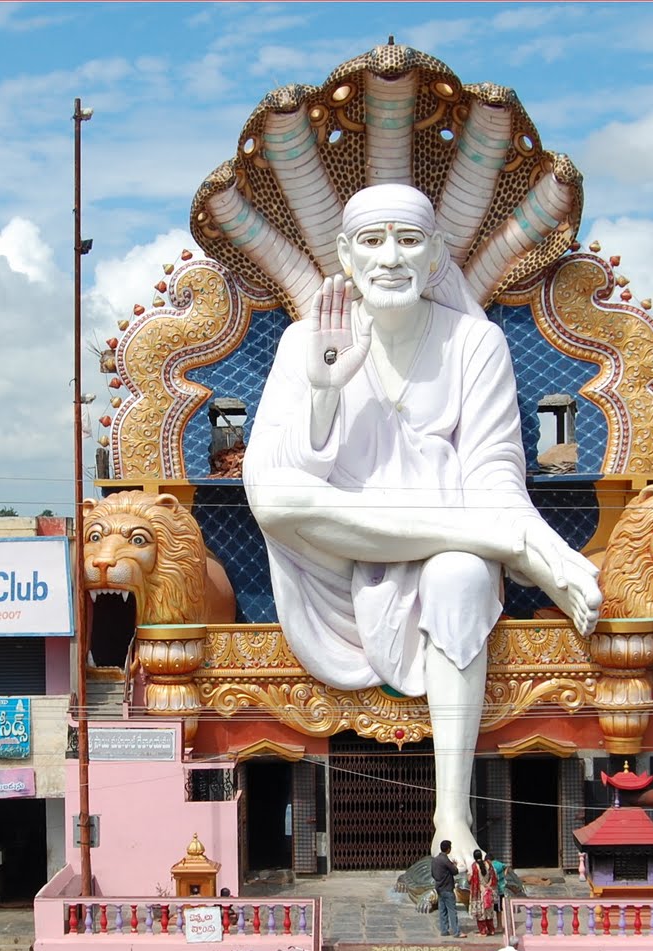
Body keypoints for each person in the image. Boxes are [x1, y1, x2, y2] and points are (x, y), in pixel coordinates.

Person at [244, 184, 603, 865]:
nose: (391, 258)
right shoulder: (304, 344)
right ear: (345, 256)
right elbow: (277, 483)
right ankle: (511, 547)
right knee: (275, 498)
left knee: (462, 572)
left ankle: (452, 815)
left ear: (436, 253)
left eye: (409, 240)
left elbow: (496, 477)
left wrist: (486, 529)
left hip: (453, 548)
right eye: (372, 242)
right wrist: (323, 393)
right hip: (338, 555)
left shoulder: (476, 343)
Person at [432, 840, 462, 937]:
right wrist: (455, 865)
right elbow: (455, 871)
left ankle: (444, 930)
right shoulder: (445, 860)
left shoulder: (435, 860)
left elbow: (433, 873)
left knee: (442, 910)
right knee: (452, 910)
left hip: (439, 888)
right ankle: (456, 931)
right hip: (447, 888)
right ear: (448, 849)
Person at [468, 849, 497, 937]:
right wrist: (488, 885)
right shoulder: (489, 864)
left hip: (479, 892)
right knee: (489, 911)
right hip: (488, 891)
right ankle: (491, 930)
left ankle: (483, 931)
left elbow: (469, 879)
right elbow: (494, 876)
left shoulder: (473, 866)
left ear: (474, 857)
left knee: (481, 913)